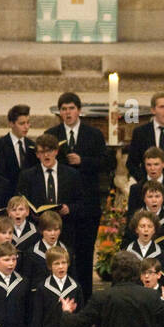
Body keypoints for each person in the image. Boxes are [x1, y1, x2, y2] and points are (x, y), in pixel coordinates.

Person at [44, 90, 106, 298]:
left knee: (85, 257)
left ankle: (86, 302)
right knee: (62, 257)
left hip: (87, 207)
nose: (68, 112)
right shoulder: (52, 135)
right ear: (59, 112)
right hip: (62, 208)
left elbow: (108, 163)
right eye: (64, 109)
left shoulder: (94, 134)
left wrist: (83, 161)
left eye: (71, 108)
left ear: (79, 111)